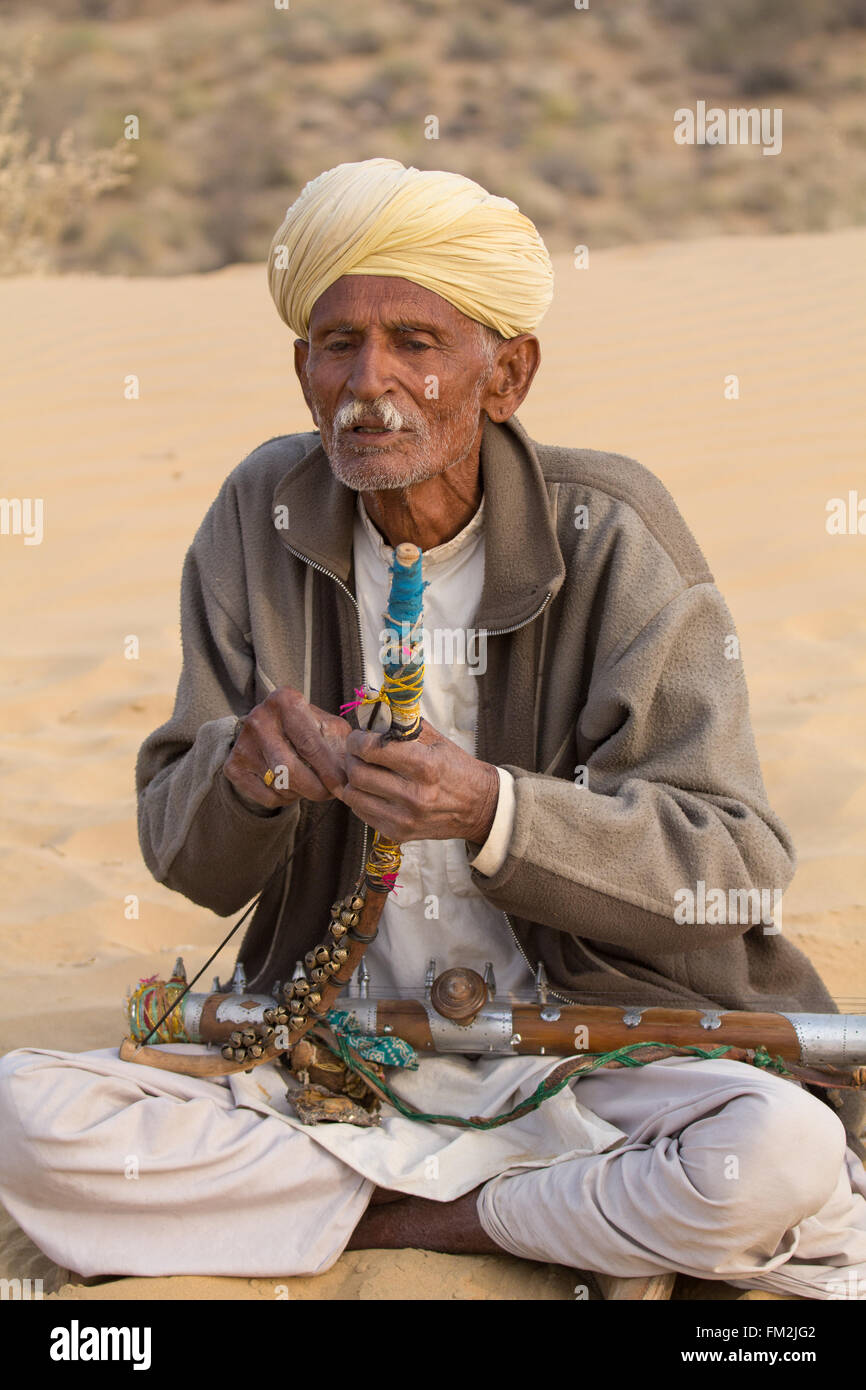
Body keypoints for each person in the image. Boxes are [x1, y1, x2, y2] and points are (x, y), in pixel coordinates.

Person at [1, 159, 864, 1299]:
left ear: (504, 375)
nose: (370, 384)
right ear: (301, 372)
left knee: (777, 1156)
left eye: (416, 343)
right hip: (338, 1050)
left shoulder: (610, 531)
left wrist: (496, 813)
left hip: (593, 1047)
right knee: (27, 1116)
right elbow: (186, 855)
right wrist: (249, 778)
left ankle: (370, 1218)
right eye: (336, 344)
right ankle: (512, 1223)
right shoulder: (258, 519)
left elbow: (735, 864)